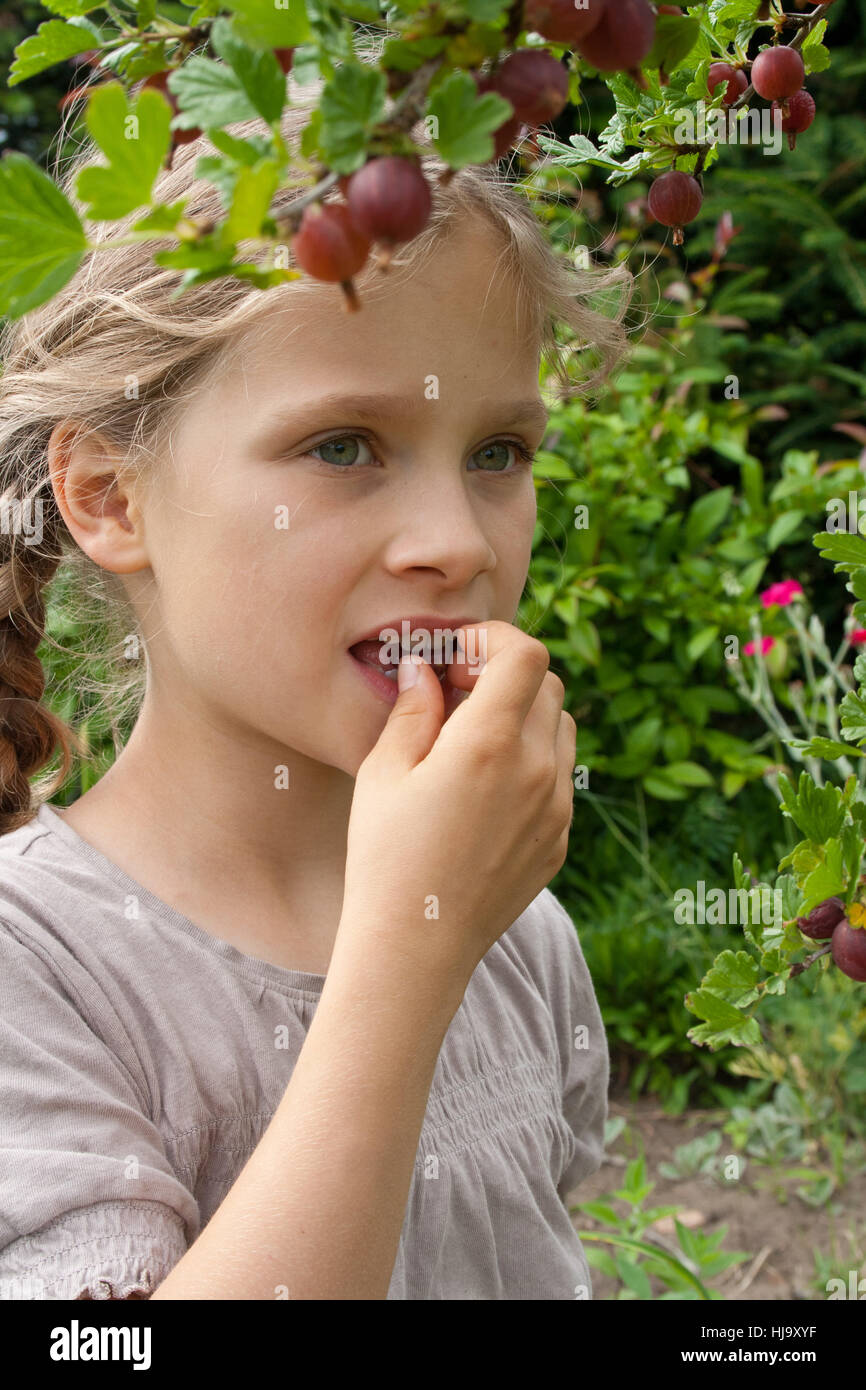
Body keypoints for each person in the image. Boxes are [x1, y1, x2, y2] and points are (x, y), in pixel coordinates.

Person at [0, 51, 633, 1300]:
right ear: (108, 497)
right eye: (344, 445)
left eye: (499, 450)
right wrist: (407, 953)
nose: (458, 542)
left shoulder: (522, 930)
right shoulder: (40, 965)